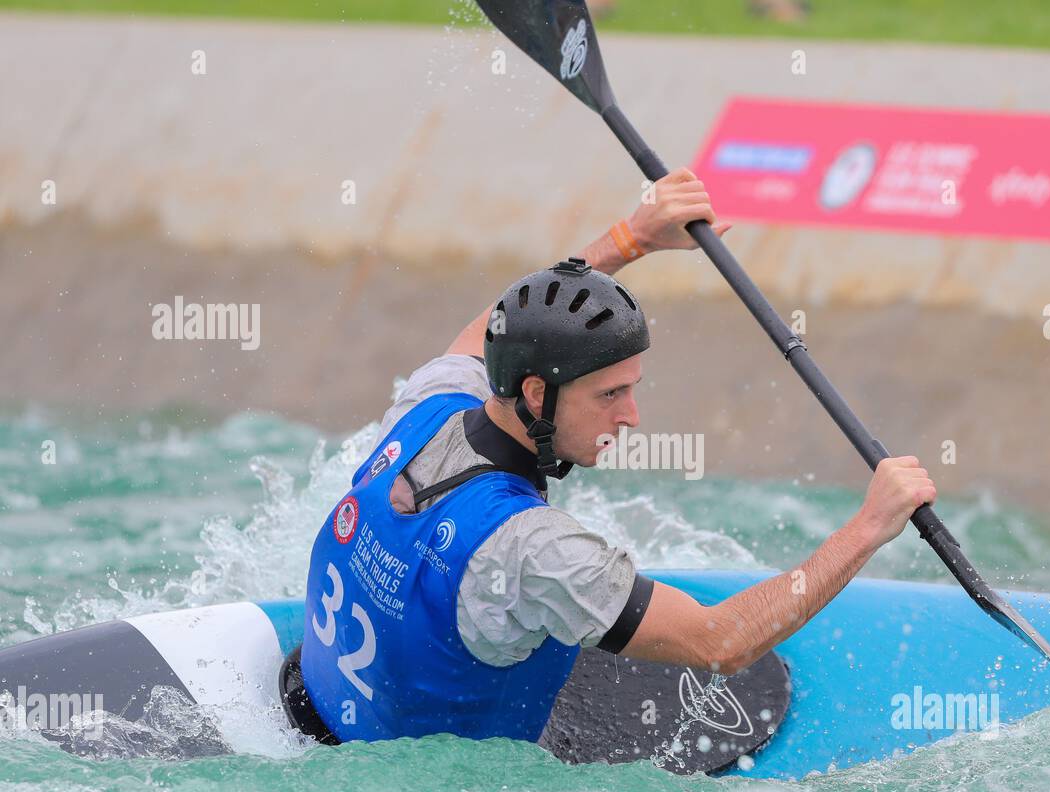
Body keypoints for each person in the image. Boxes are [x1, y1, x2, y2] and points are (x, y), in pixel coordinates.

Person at [293, 167, 936, 745]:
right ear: (537, 392)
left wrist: (633, 237)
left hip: (306, 699)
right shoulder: (536, 550)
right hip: (420, 791)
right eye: (610, 395)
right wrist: (869, 526)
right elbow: (724, 643)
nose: (631, 417)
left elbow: (493, 328)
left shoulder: (429, 403)